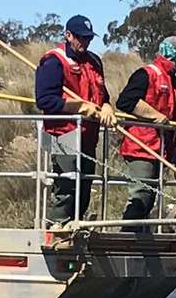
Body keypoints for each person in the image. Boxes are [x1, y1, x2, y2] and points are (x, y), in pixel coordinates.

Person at [115, 35, 176, 225]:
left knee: (150, 197)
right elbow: (125, 101)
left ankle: (139, 237)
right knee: (141, 197)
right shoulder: (147, 74)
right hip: (142, 146)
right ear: (170, 54)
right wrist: (154, 115)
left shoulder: (175, 83)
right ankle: (128, 236)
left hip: (162, 149)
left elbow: (175, 117)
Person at [35, 15, 118, 224]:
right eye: (80, 37)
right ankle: (55, 233)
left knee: (85, 189)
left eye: (89, 38)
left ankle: (75, 231)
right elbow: (45, 100)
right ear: (68, 35)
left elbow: (102, 95)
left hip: (89, 138)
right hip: (64, 135)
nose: (85, 42)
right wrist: (80, 107)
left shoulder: (94, 61)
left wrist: (107, 107)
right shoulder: (54, 61)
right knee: (67, 190)